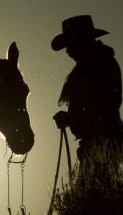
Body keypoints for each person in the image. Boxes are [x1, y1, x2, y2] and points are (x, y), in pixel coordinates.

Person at [52, 15, 123, 167]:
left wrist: (70, 118)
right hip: (98, 145)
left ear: (81, 41)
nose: (68, 51)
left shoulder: (101, 65)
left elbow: (104, 107)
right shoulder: (92, 65)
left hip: (105, 143)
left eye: (70, 45)